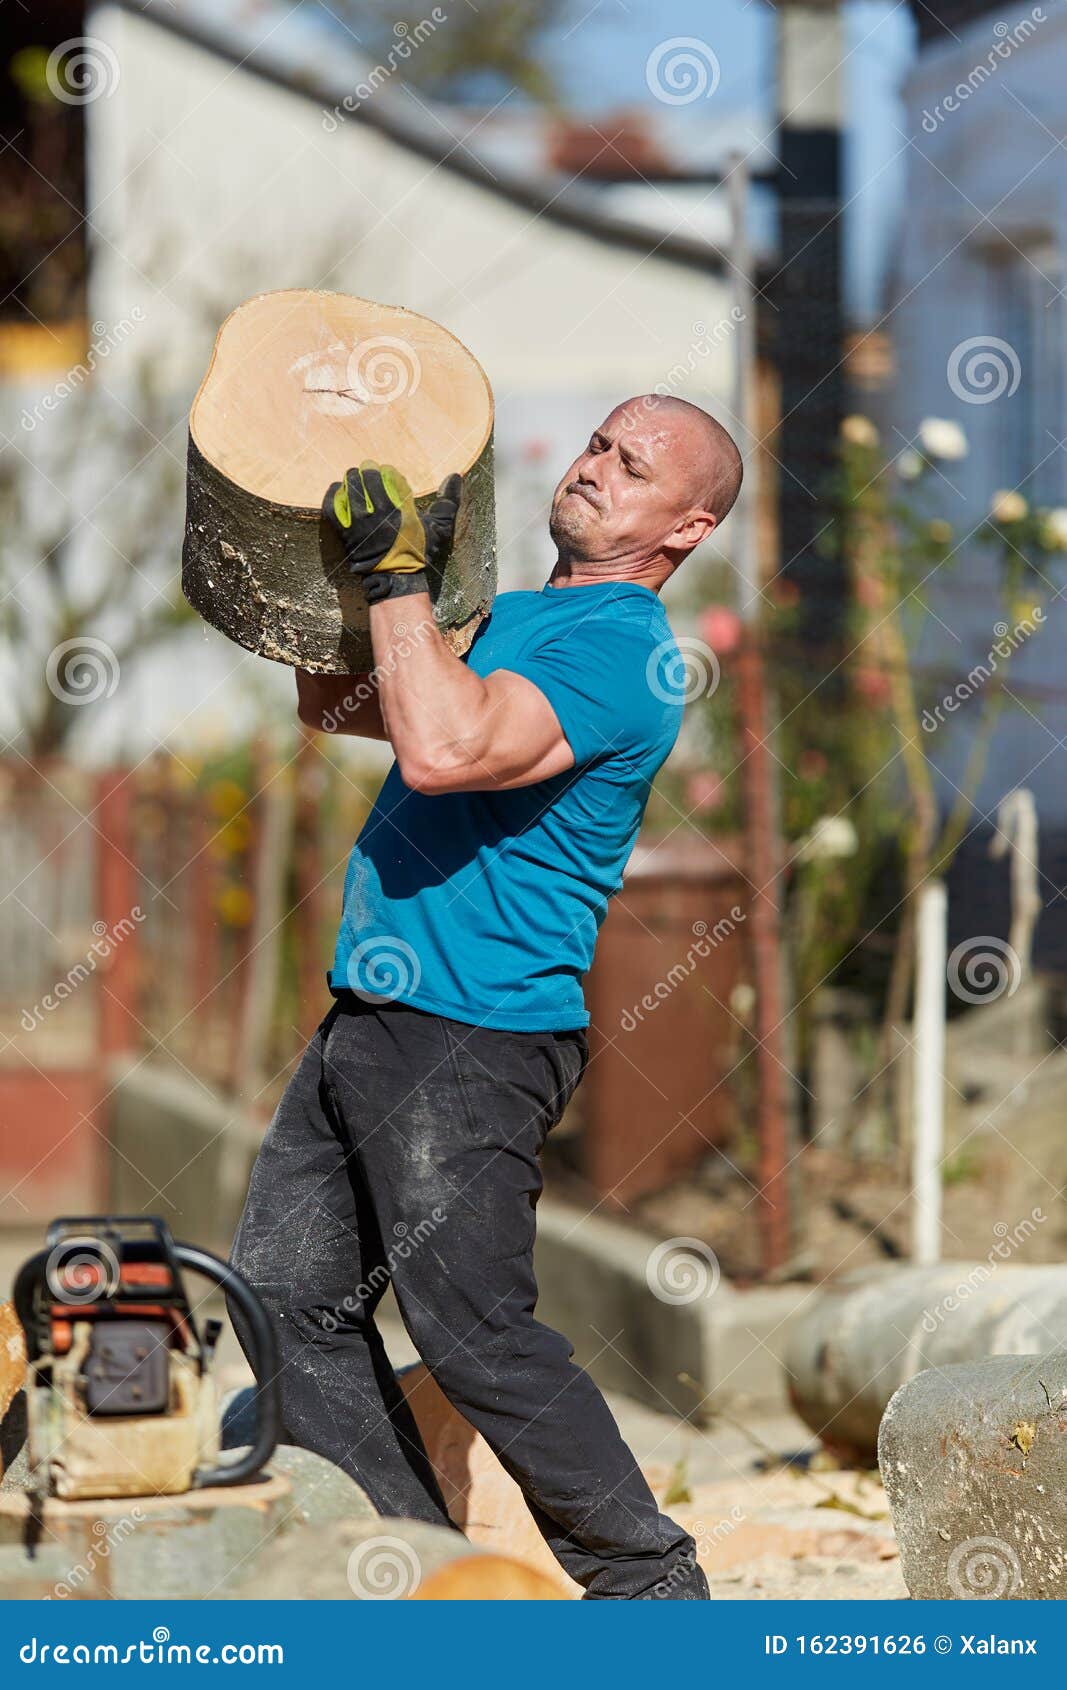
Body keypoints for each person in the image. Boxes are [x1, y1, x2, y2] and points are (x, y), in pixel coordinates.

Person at [229, 394, 743, 1599]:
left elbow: (445, 750)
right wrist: (337, 570)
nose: (595, 469)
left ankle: (647, 1584)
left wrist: (403, 582)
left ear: (689, 524)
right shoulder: (504, 615)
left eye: (635, 467)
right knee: (287, 1305)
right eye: (597, 444)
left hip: (473, 1033)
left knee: (473, 1330)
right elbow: (336, 704)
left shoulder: (624, 650)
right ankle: (422, 1571)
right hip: (374, 1014)